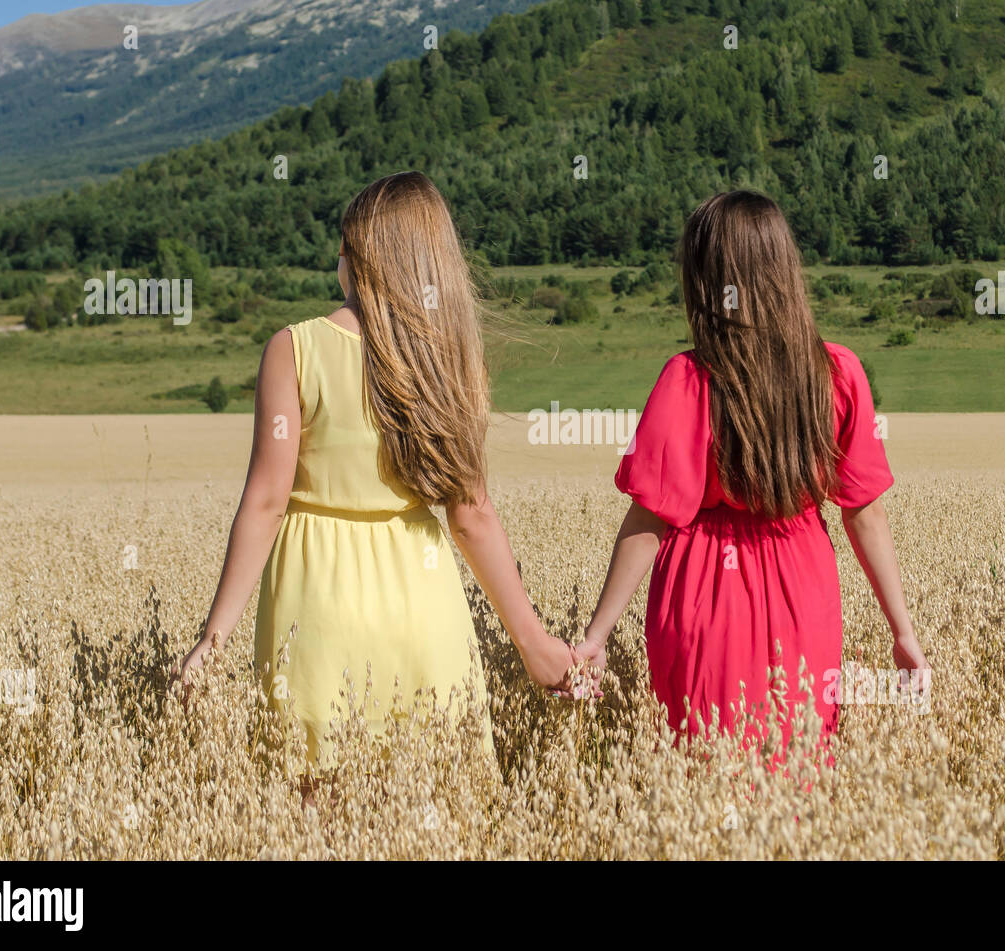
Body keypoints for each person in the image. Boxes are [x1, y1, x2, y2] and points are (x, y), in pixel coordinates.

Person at [180, 171, 578, 791]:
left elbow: (264, 503)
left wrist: (212, 639)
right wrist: (533, 643)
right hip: (425, 605)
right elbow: (471, 515)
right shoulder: (451, 358)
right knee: (435, 815)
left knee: (317, 814)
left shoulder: (294, 349)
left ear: (354, 258)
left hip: (313, 608)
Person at [577, 190, 929, 763]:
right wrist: (903, 632)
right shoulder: (837, 373)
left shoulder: (688, 379)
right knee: (797, 766)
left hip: (703, 591)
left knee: (708, 770)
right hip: (805, 588)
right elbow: (863, 511)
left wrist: (596, 636)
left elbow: (651, 514)